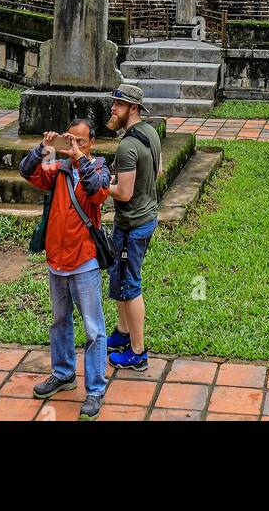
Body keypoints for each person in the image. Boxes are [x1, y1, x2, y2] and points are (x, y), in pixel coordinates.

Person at [19, 119, 111, 421]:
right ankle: (63, 373)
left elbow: (96, 191)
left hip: (84, 260)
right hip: (56, 260)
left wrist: (78, 158)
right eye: (71, 140)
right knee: (59, 321)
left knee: (94, 329)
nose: (75, 146)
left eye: (81, 142)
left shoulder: (99, 167)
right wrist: (42, 149)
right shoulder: (57, 171)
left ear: (92, 143)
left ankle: (95, 389)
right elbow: (27, 172)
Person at [105, 84, 162, 372]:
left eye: (119, 104)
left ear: (134, 109)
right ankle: (121, 332)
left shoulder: (128, 146)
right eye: (114, 103)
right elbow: (158, 171)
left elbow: (124, 193)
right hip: (146, 217)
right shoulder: (149, 132)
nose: (113, 109)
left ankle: (137, 353)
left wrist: (102, 185)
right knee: (119, 278)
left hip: (133, 224)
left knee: (130, 286)